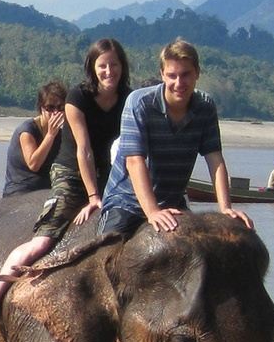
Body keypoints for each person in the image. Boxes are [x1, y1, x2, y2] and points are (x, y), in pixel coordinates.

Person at [0, 41, 132, 337]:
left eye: (114, 65)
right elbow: (83, 149)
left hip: (108, 174)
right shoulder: (78, 97)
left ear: (122, 67)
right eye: (102, 66)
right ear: (92, 68)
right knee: (43, 242)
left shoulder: (129, 98)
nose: (109, 71)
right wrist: (93, 197)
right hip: (71, 173)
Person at [99, 38, 253, 237]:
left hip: (173, 201)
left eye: (185, 74)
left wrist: (225, 209)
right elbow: (134, 161)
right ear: (162, 74)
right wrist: (153, 212)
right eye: (172, 76)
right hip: (126, 201)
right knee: (107, 248)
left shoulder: (205, 106)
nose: (179, 83)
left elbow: (215, 159)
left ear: (197, 73)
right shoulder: (139, 103)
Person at [2, 81, 66, 196]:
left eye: (60, 108)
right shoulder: (27, 130)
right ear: (41, 108)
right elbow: (33, 164)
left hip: (46, 189)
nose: (55, 113)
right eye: (50, 108)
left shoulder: (61, 134)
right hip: (21, 190)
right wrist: (50, 135)